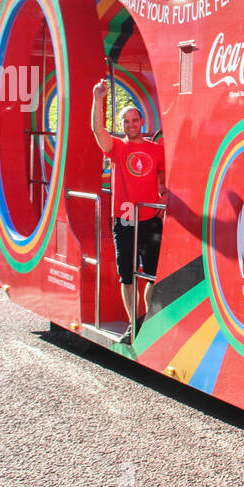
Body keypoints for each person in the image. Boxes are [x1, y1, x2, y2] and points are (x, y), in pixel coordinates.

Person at [92, 79, 166, 342]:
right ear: (122, 125)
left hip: (150, 221)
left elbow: (167, 180)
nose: (131, 125)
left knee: (152, 275)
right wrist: (98, 98)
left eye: (135, 120)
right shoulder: (118, 148)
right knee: (127, 276)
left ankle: (147, 323)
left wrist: (164, 198)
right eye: (126, 121)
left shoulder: (156, 150)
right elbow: (98, 131)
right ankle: (134, 327)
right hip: (124, 220)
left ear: (142, 122)